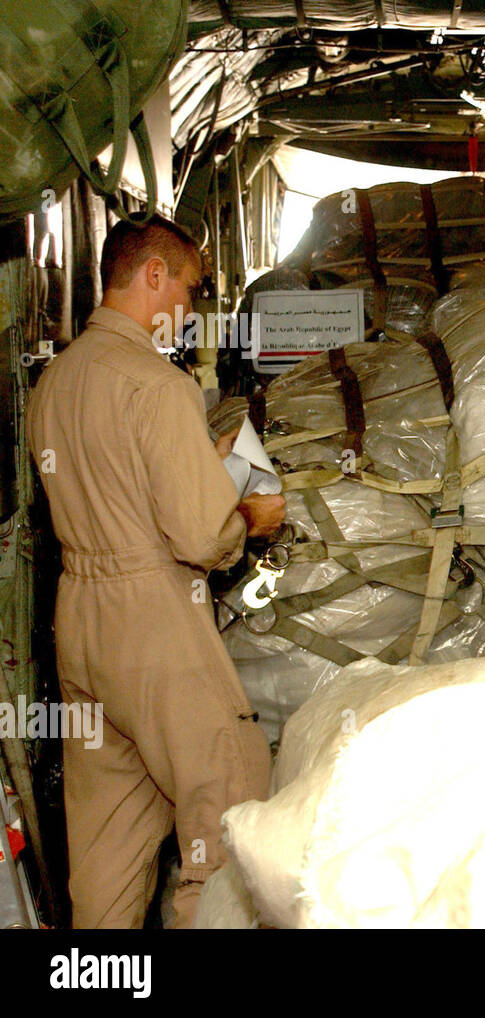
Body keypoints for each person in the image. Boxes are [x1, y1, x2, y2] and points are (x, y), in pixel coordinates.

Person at [26, 215, 285, 928]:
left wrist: (203, 458)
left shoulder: (56, 380)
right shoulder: (158, 385)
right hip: (155, 624)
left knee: (107, 849)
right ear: (152, 276)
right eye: (192, 289)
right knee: (226, 811)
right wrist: (250, 520)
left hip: (80, 620)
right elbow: (200, 535)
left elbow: (115, 488)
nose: (192, 310)